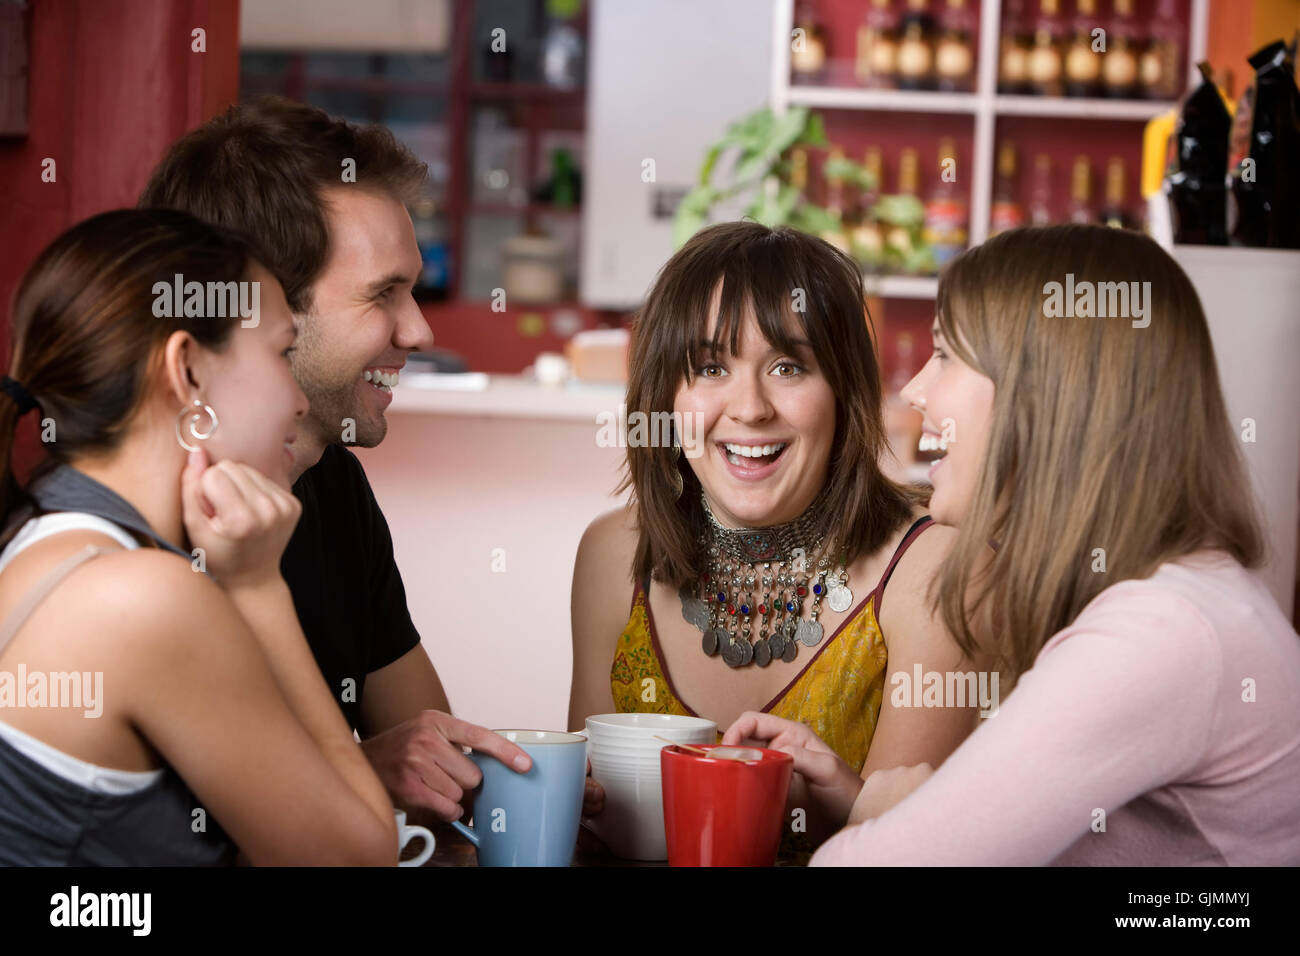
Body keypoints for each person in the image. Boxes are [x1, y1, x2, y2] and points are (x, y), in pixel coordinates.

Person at [729, 223, 1300, 865]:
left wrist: (898, 825)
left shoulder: (1159, 633)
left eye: (944, 354)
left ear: (1046, 395)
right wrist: (878, 806)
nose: (916, 389)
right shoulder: (1177, 603)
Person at [139, 96, 530, 822]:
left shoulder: (332, 484)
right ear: (261, 313)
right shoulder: (134, 532)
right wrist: (357, 775)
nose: (417, 330)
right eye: (385, 294)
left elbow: (429, 759)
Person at [569, 221, 988, 849]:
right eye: (710, 367)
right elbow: (584, 826)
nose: (750, 407)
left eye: (789, 367)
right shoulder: (611, 555)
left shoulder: (934, 569)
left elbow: (907, 852)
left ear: (845, 392)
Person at [0, 209, 398, 864]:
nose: (298, 400)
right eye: (280, 352)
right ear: (186, 372)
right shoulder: (140, 597)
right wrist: (259, 587)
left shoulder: (54, 537)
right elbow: (359, 857)